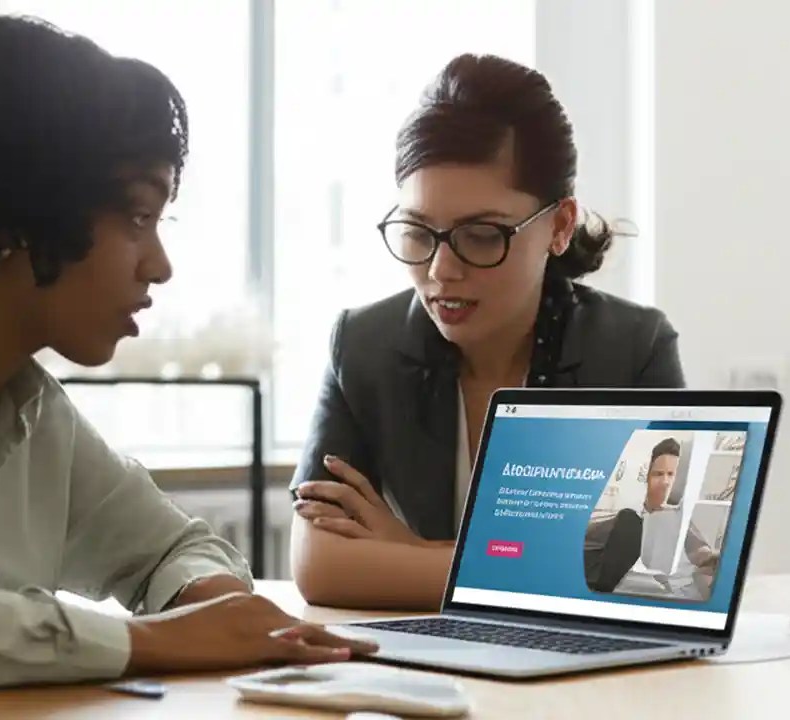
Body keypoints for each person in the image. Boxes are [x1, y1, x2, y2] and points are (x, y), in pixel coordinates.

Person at [0, 15, 374, 690]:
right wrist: (154, 640)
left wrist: (217, 608)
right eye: (138, 218)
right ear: (21, 215)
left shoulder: (32, 409)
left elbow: (179, 547)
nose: (159, 265)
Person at [290, 54, 685, 611]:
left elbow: (646, 570)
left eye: (481, 236)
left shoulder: (631, 349)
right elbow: (321, 566)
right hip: (417, 669)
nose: (440, 271)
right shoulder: (363, 345)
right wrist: (511, 563)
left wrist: (409, 553)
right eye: (417, 231)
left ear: (560, 225)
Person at [584, 438, 719, 594]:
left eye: (671, 475)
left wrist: (712, 560)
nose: (665, 482)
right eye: (658, 474)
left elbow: (702, 553)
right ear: (647, 477)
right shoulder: (627, 515)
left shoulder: (679, 522)